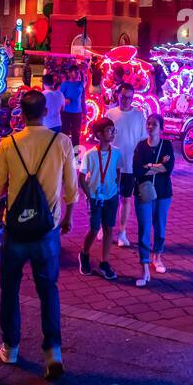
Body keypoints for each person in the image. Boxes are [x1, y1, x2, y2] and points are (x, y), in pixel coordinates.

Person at [0, 89, 77, 380]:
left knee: (10, 289)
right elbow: (72, 190)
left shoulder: (8, 144)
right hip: (47, 231)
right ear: (46, 113)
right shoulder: (62, 142)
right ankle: (53, 352)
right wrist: (67, 220)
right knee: (48, 290)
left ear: (21, 115)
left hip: (15, 230)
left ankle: (11, 346)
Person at [132, 113, 175, 287]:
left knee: (160, 228)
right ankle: (144, 268)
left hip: (163, 193)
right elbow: (137, 170)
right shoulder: (141, 146)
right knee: (144, 230)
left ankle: (157, 256)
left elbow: (168, 167)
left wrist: (148, 167)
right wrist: (156, 167)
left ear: (161, 128)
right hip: (144, 193)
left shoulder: (167, 145)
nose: (150, 127)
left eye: (154, 124)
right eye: (148, 124)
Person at [78, 117, 121, 280]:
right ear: (99, 134)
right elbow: (82, 177)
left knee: (109, 228)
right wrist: (89, 196)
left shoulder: (116, 152)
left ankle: (104, 262)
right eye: (109, 130)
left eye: (113, 130)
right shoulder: (90, 154)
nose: (112, 133)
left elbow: (118, 171)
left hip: (111, 196)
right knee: (94, 228)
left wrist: (116, 188)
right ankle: (84, 254)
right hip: (95, 197)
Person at [105, 83, 147, 248]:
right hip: (111, 165)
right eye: (123, 96)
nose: (126, 100)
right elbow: (103, 139)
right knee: (109, 198)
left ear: (133, 98)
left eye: (129, 97)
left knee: (126, 199)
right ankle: (106, 227)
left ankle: (122, 232)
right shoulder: (110, 114)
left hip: (130, 165)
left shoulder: (139, 116)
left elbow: (143, 141)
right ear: (118, 95)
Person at [59, 67, 85, 145]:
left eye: (78, 72)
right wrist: (65, 101)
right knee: (64, 133)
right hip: (66, 113)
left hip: (77, 113)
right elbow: (59, 98)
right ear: (69, 74)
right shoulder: (65, 84)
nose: (77, 74)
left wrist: (85, 112)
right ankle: (63, 153)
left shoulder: (80, 84)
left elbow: (83, 98)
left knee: (76, 135)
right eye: (75, 72)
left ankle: (75, 155)